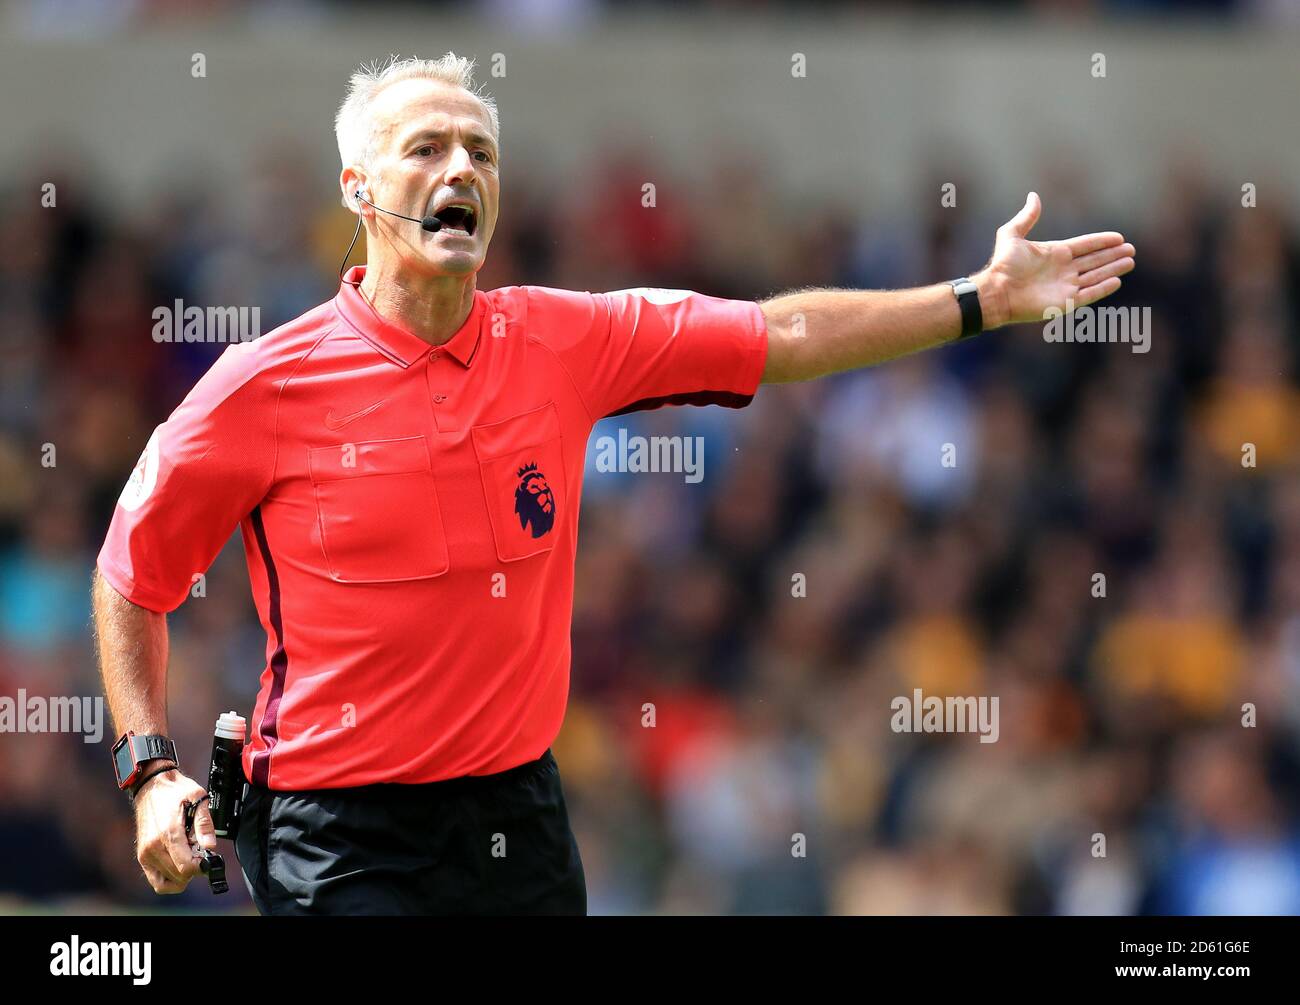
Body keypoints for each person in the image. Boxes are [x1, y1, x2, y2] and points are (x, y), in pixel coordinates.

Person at [92, 53, 1135, 915]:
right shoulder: (261, 385)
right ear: (359, 190)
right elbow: (132, 576)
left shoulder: (563, 338)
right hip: (335, 830)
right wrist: (148, 776)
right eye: (427, 149)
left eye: (482, 152)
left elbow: (779, 333)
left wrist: (973, 300)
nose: (464, 168)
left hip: (517, 822)